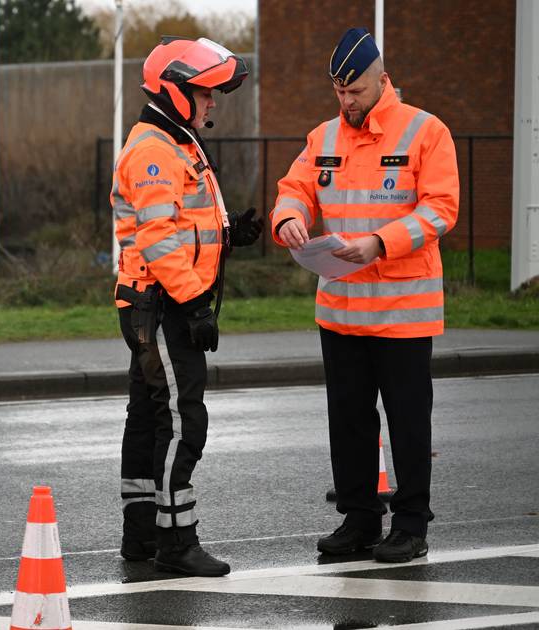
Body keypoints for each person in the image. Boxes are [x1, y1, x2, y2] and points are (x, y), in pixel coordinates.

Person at [269, 28, 458, 563]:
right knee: (348, 418)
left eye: (355, 91)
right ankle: (359, 520)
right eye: (339, 92)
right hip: (341, 311)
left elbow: (441, 209)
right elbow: (295, 189)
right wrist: (288, 220)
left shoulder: (426, 131)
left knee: (407, 420)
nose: (347, 102)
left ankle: (412, 525)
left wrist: (380, 242)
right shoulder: (323, 136)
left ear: (381, 79)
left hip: (403, 310)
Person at [113, 37, 263, 577]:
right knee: (181, 422)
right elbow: (158, 238)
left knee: (149, 420)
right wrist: (197, 304)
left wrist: (229, 235)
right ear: (176, 91)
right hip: (165, 306)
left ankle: (142, 536)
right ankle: (175, 542)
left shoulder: (174, 140)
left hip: (153, 303)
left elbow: (182, 222)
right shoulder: (155, 149)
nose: (213, 102)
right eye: (205, 92)